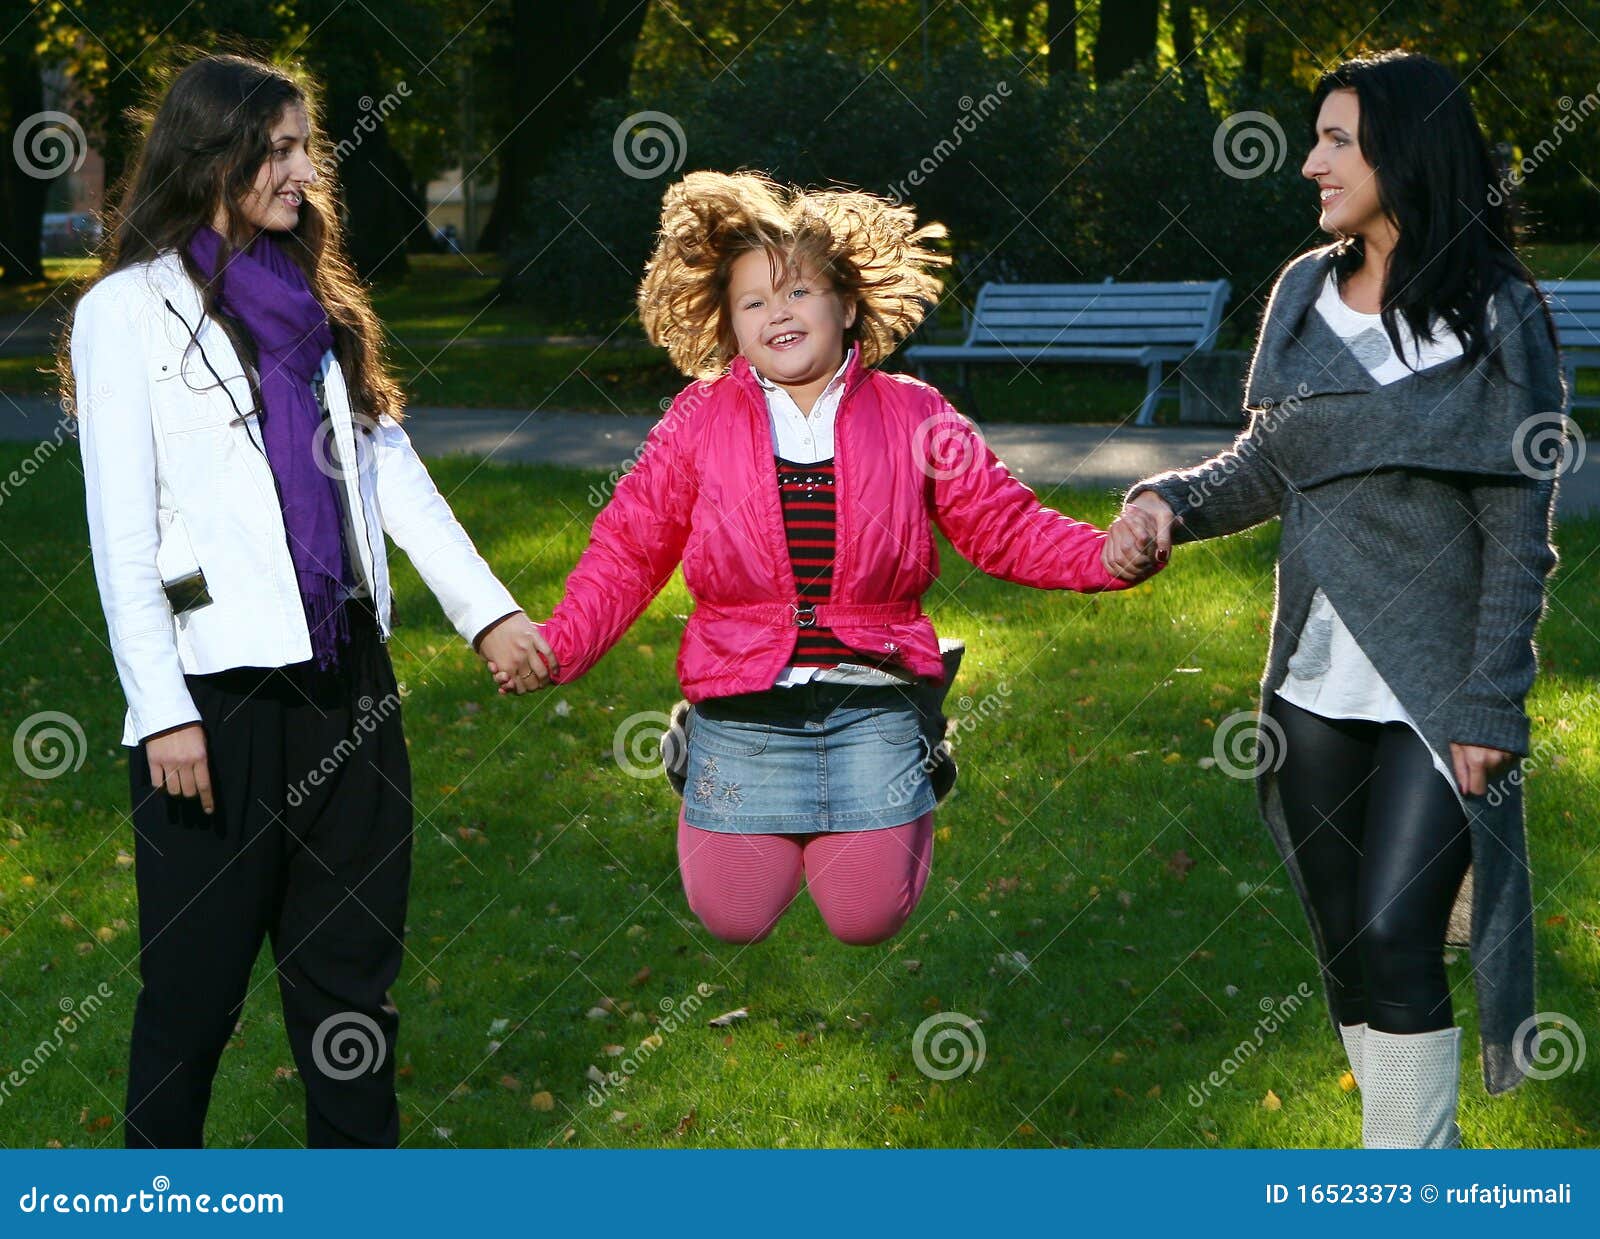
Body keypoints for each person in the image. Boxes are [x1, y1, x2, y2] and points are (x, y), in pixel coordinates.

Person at [65, 52, 552, 1147]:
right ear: (214, 155)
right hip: (215, 704)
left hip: (350, 688)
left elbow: (390, 473)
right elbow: (120, 534)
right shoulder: (124, 315)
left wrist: (487, 611)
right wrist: (162, 711)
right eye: (278, 149)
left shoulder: (317, 302)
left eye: (303, 146)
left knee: (350, 992)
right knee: (192, 997)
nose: (302, 171)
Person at [492, 170, 1161, 947]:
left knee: (864, 916)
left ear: (846, 305)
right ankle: (695, 745)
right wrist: (560, 645)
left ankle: (919, 747)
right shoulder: (696, 421)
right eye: (753, 301)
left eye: (799, 292)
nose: (778, 312)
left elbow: (1003, 525)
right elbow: (628, 549)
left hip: (870, 691)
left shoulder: (915, 413)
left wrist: (1108, 557)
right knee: (733, 914)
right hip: (742, 694)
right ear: (730, 327)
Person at [1111, 50, 1564, 1147]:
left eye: (1335, 141)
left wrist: (1489, 703)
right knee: (1350, 945)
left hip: (1433, 688)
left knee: (1405, 941)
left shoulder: (1500, 316)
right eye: (1314, 138)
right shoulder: (1305, 293)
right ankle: (1427, 1160)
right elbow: (1269, 464)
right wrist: (1169, 500)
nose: (1310, 162)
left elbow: (1518, 534)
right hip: (1312, 685)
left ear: (1402, 152)